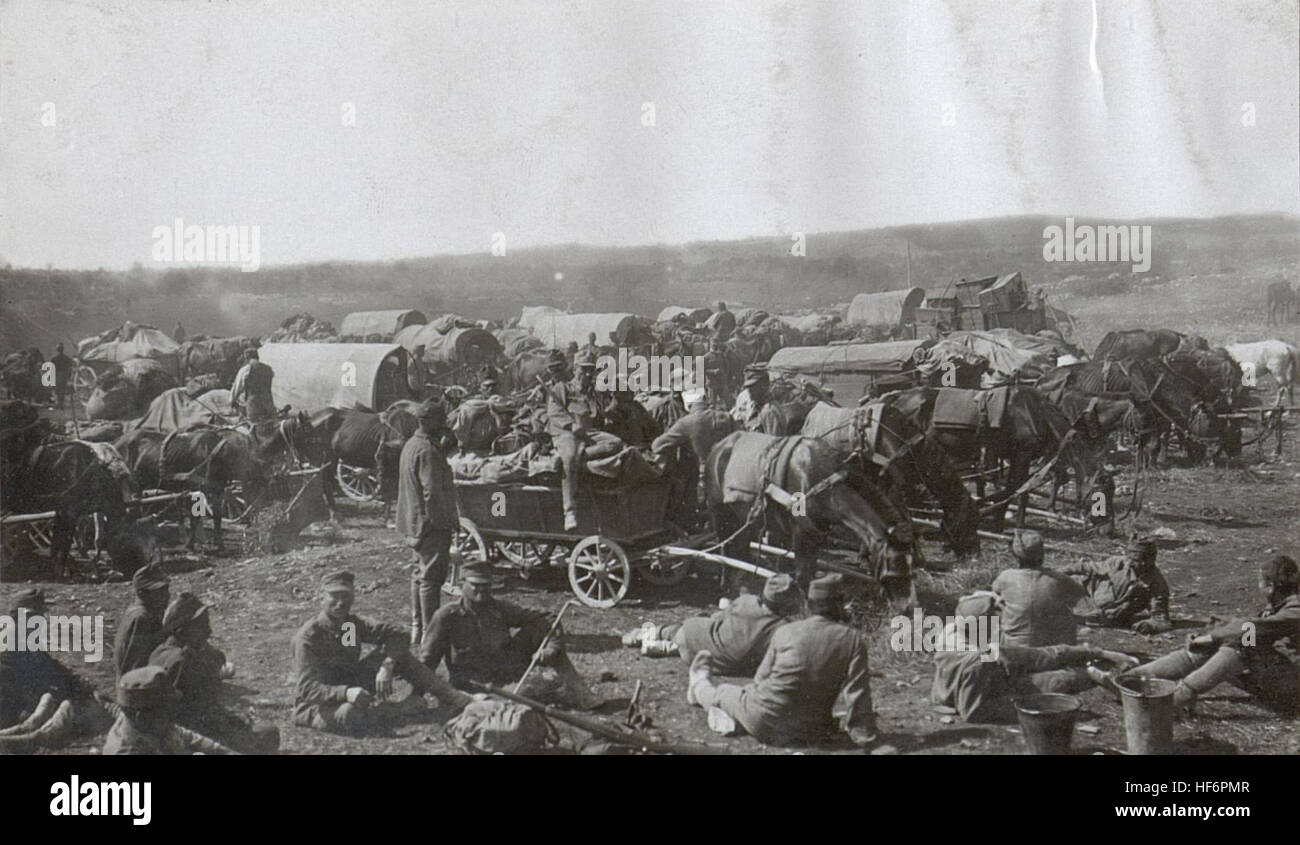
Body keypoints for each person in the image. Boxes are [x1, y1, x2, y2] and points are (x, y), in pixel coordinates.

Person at [685, 573, 877, 748]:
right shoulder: (853, 640)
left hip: (762, 721)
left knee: (724, 692)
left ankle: (699, 688)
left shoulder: (786, 631)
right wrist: (864, 738)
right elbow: (857, 694)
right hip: (808, 731)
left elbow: (760, 681)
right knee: (747, 700)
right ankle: (733, 715)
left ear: (809, 605)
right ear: (838, 604)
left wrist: (748, 697)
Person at [1092, 554, 1299, 713]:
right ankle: (1130, 679)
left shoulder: (1295, 610)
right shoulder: (1282, 604)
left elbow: (1253, 628)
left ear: (1270, 586)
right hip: (1281, 680)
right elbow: (1251, 626)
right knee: (1232, 640)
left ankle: (1176, 698)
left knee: (1241, 645)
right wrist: (1208, 634)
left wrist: (1213, 636)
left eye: (1261, 581)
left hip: (1293, 690)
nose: (1259, 586)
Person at [291, 571, 473, 737]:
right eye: (334, 596)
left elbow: (398, 634)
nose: (340, 603)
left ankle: (455, 698)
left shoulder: (349, 626)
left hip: (353, 686)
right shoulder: (309, 637)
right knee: (349, 714)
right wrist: (346, 692)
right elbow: (307, 688)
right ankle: (398, 710)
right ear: (321, 598)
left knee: (397, 655)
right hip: (317, 705)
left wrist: (387, 665)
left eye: (346, 596)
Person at [420, 560, 597, 708]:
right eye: (475, 585)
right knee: (530, 692)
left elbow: (549, 617)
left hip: (505, 673)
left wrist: (552, 649)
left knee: (539, 628)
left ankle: (580, 694)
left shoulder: (499, 608)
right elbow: (428, 659)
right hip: (473, 685)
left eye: (486, 585)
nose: (481, 590)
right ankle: (540, 691)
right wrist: (417, 694)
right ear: (462, 585)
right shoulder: (446, 616)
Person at [149, 592, 280, 753]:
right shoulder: (183, 662)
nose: (209, 631)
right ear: (183, 630)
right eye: (203, 626)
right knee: (267, 732)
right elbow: (197, 716)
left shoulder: (163, 651)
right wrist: (234, 721)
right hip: (188, 737)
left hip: (175, 732)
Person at [0, 588, 111, 751]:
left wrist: (80, 686)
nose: (41, 621)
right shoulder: (8, 647)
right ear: (17, 617)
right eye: (33, 617)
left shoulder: (25, 639)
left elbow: (50, 667)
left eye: (40, 616)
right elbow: (12, 690)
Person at [623, 574, 801, 675]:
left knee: (689, 627)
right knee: (735, 649)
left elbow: (718, 618)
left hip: (691, 637)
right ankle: (667, 647)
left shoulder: (747, 601)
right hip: (715, 664)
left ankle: (651, 634)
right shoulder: (782, 627)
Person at [396, 400, 459, 645]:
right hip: (429, 525)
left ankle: (417, 627)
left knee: (418, 575)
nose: (444, 426)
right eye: (440, 421)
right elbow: (432, 492)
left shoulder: (411, 445)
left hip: (412, 524)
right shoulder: (428, 452)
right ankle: (432, 634)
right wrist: (444, 522)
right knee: (431, 580)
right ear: (429, 422)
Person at [545, 355, 620, 530]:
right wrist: (571, 425)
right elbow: (554, 412)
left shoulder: (592, 393)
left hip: (588, 433)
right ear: (575, 369)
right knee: (570, 458)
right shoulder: (562, 388)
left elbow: (598, 415)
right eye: (583, 369)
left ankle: (579, 456)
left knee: (615, 443)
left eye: (590, 370)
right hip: (566, 434)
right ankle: (569, 512)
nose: (586, 373)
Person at [102, 665, 236, 755]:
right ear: (140, 716)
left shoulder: (151, 724)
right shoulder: (126, 750)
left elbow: (186, 735)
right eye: (165, 709)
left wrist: (225, 752)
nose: (173, 712)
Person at [650, 387, 736, 527]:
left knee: (711, 507)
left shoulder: (687, 422)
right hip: (730, 470)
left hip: (706, 473)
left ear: (688, 405)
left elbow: (657, 445)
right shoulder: (726, 416)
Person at [991, 530, 1085, 647]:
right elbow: (1079, 592)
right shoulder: (1057, 578)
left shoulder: (1006, 577)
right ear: (1042, 555)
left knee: (991, 607)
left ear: (1016, 556)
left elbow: (995, 592)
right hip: (1052, 646)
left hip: (1014, 647)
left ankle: (986, 657)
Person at [1063, 536, 1172, 633]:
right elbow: (1085, 567)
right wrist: (1057, 572)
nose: (1143, 564)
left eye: (1148, 560)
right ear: (1130, 558)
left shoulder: (1157, 583)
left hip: (1106, 615)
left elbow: (1161, 620)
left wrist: (1148, 626)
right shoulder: (1117, 563)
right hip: (1084, 595)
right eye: (1137, 560)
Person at [113, 564, 170, 679]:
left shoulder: (136, 611)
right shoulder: (142, 618)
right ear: (141, 593)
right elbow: (137, 664)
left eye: (166, 589)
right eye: (159, 591)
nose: (167, 595)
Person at [231, 348, 276, 422]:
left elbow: (236, 389)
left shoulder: (245, 369)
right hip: (268, 404)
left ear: (246, 358)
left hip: (254, 406)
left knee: (253, 427)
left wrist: (232, 401)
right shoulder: (268, 368)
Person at [50, 343, 74, 409]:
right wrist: (69, 376)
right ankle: (61, 404)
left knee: (58, 390)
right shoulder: (67, 358)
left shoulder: (54, 359)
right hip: (64, 376)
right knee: (62, 390)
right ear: (62, 349)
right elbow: (70, 367)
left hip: (57, 376)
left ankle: (59, 404)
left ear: (57, 350)